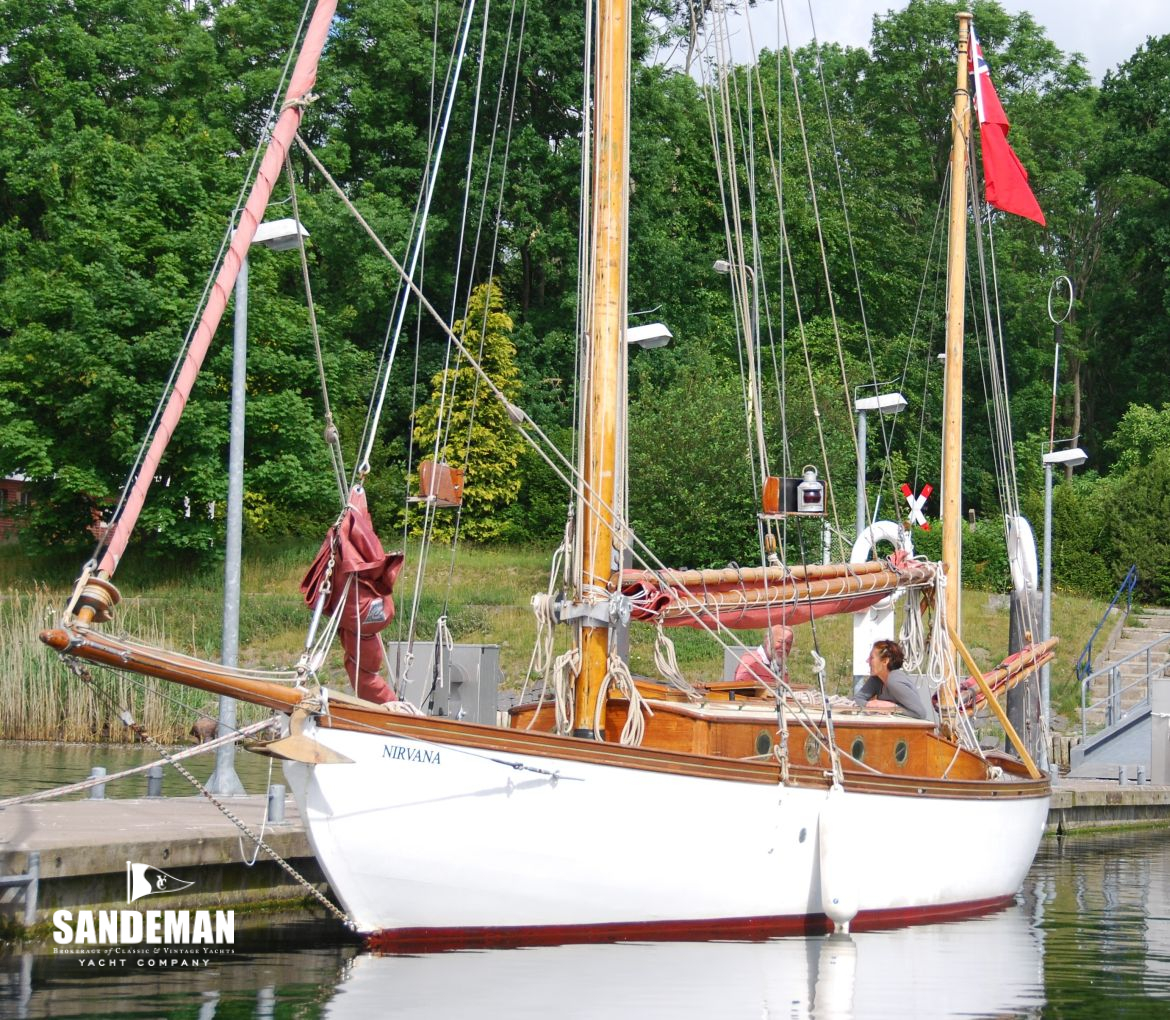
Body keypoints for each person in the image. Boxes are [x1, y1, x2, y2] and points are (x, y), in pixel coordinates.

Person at [854, 639, 931, 719]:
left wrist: (891, 707)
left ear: (885, 661)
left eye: (871, 658)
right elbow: (857, 699)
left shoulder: (894, 681)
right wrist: (872, 705)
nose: (867, 661)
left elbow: (920, 713)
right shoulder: (876, 679)